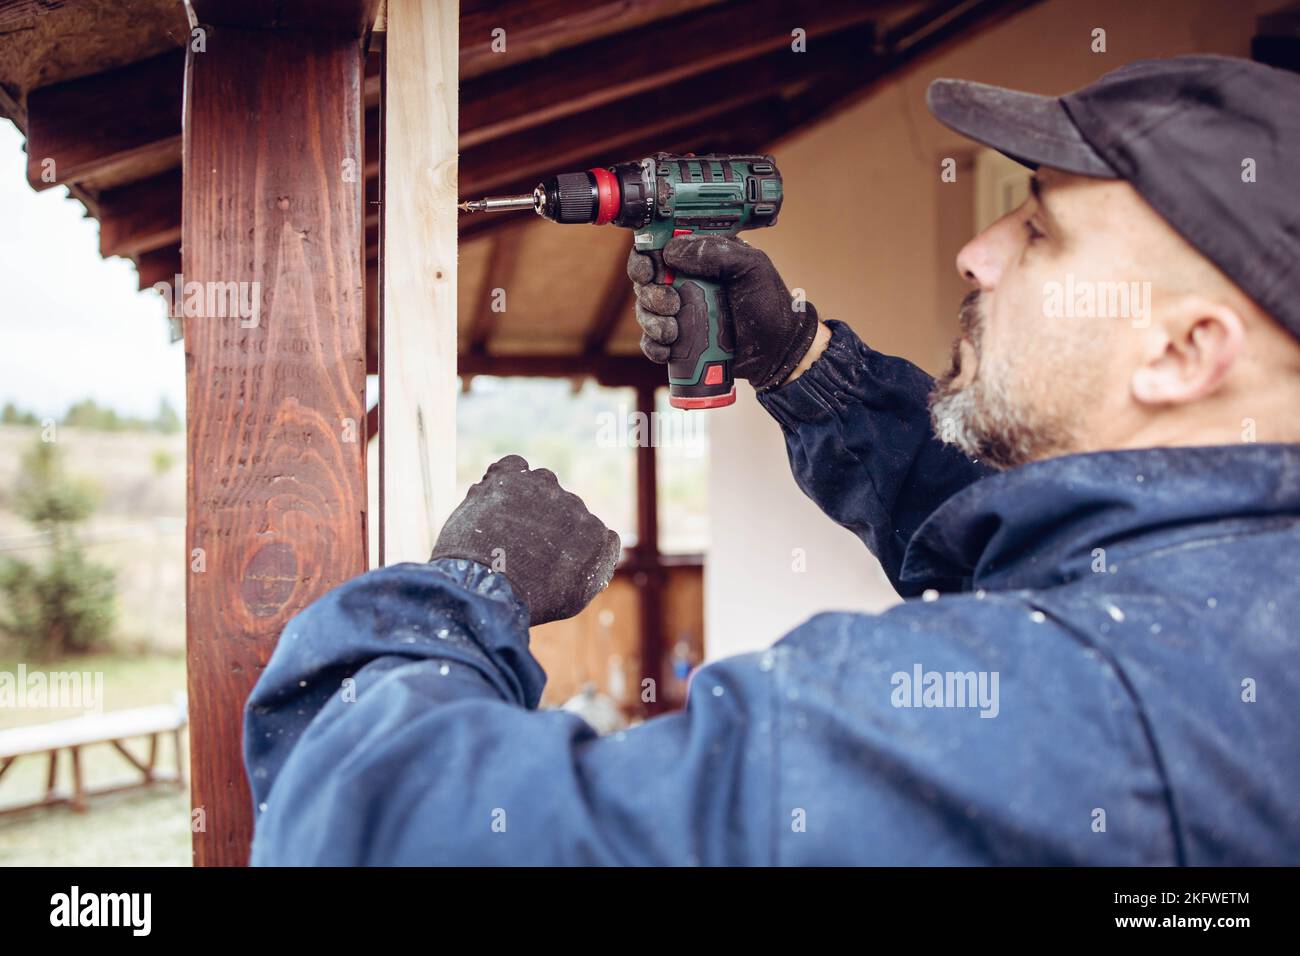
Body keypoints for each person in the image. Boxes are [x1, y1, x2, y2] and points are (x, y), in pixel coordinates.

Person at [245, 55, 1300, 865]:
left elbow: (378, 832)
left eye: (1039, 231)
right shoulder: (1227, 595)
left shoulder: (1051, 710)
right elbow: (1011, 540)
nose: (976, 251)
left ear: (1182, 350)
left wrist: (454, 599)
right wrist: (800, 361)